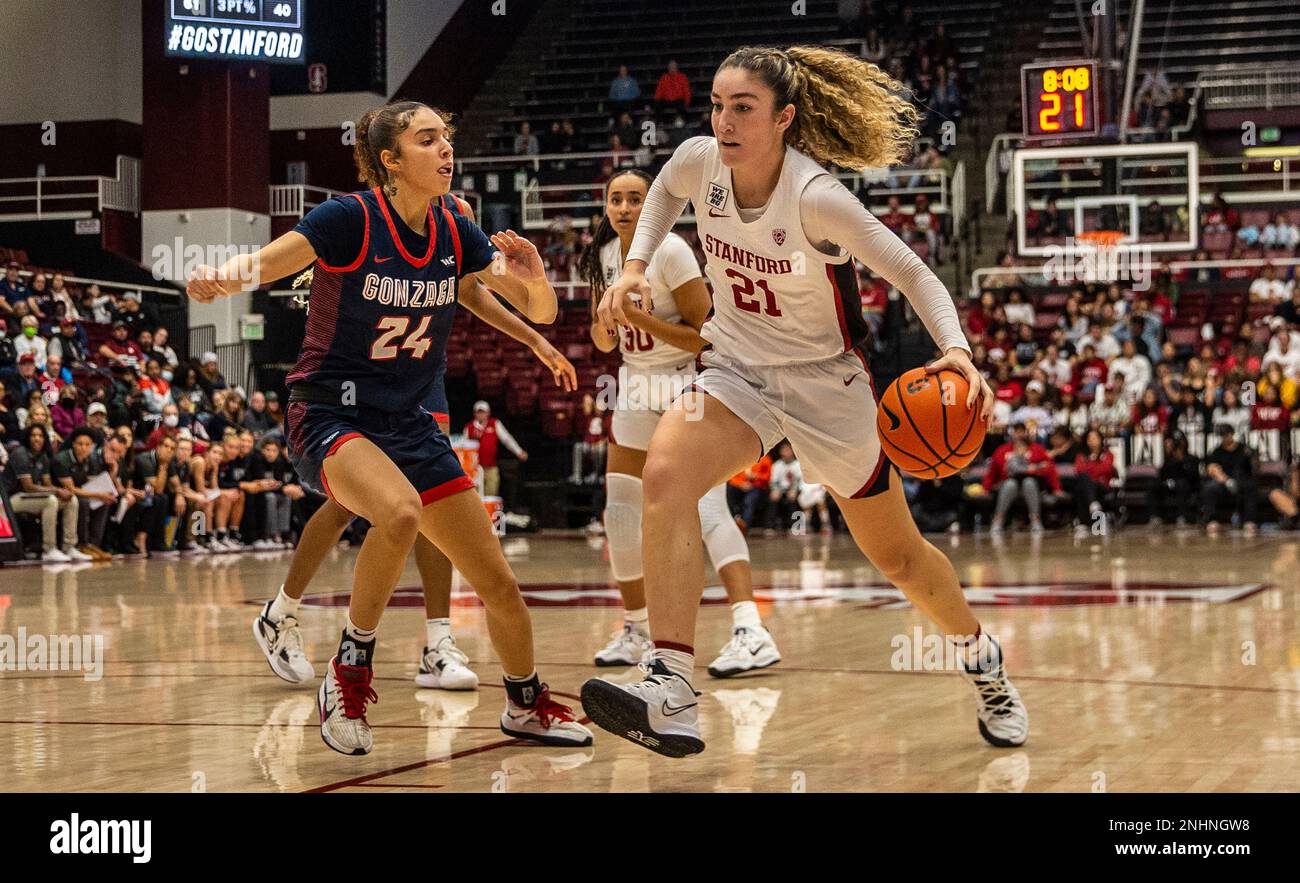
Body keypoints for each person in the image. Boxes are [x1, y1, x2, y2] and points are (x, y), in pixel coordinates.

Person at [583, 45, 1026, 757]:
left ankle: (982, 657)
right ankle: (671, 686)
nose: (723, 122)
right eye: (718, 106)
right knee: (663, 476)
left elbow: (913, 273)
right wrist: (634, 266)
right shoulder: (700, 162)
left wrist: (958, 350)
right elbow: (663, 191)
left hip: (828, 385)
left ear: (785, 117)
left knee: (901, 559)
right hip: (737, 370)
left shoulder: (817, 197)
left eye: (743, 108)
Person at [188, 99, 591, 755]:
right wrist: (217, 277)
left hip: (407, 420)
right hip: (328, 411)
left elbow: (538, 309)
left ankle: (524, 702)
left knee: (499, 584)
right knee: (397, 513)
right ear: (390, 160)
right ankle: (347, 676)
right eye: (427, 139)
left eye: (447, 137)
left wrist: (536, 281)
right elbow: (266, 264)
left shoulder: (456, 234)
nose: (445, 150)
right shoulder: (349, 219)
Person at [578, 168, 778, 675]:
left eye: (635, 199)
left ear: (653, 206)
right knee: (620, 513)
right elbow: (605, 343)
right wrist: (608, 324)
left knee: (707, 509)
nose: (624, 207)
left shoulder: (670, 252)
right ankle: (636, 628)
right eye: (615, 198)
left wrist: (641, 320)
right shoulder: (605, 258)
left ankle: (750, 628)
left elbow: (705, 337)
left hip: (683, 383)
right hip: (635, 386)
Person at [2, 424, 90, 563]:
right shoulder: (20, 454)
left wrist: (63, 491)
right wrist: (57, 491)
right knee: (50, 501)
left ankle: (69, 547)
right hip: (10, 500)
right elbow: (28, 486)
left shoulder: (43, 456)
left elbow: (47, 483)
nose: (37, 439)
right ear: (27, 438)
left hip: (30, 497)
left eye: (41, 435)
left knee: (71, 500)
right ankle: (49, 549)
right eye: (33, 435)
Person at [51, 426, 117, 561]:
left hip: (82, 493)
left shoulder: (90, 459)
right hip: (62, 495)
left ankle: (94, 544)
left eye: (87, 444)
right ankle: (82, 544)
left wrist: (112, 475)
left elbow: (94, 483)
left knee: (104, 502)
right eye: (80, 444)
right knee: (84, 502)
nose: (83, 447)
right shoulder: (62, 459)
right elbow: (71, 489)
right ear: (73, 444)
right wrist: (99, 495)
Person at [983, 421, 1061, 533]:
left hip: (1033, 485)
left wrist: (1056, 488)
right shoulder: (1002, 450)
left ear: (1025, 433)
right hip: (1009, 485)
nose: (1018, 434)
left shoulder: (1037, 449)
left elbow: (1050, 469)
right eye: (1016, 431)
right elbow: (992, 472)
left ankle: (1035, 520)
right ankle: (998, 519)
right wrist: (985, 488)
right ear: (1012, 433)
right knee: (1010, 484)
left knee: (1028, 482)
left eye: (1021, 431)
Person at [1202, 424, 1257, 535]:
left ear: (1232, 434)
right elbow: (1211, 467)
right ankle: (1212, 520)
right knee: (1210, 488)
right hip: (1224, 482)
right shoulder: (1217, 452)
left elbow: (1253, 467)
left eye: (1227, 434)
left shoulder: (1244, 449)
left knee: (1250, 487)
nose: (1225, 437)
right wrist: (1226, 481)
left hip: (1242, 481)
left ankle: (1249, 520)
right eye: (1222, 435)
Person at [465, 400, 527, 498]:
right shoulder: (469, 427)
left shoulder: (494, 424)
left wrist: (519, 451)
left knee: (491, 493)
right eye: (479, 412)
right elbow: (463, 447)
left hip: (491, 466)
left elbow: (507, 439)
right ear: (474, 414)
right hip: (474, 469)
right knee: (475, 498)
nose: (481, 415)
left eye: (483, 412)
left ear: (488, 413)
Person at [1073, 428, 1116, 536]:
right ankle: (1093, 506)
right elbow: (1079, 470)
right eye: (1089, 438)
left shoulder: (1108, 454)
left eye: (1095, 438)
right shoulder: (1081, 456)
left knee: (1085, 484)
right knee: (1083, 482)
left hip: (1103, 486)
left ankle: (1083, 520)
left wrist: (1090, 468)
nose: (1092, 441)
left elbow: (1107, 469)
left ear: (1101, 440)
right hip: (1087, 485)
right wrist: (1095, 469)